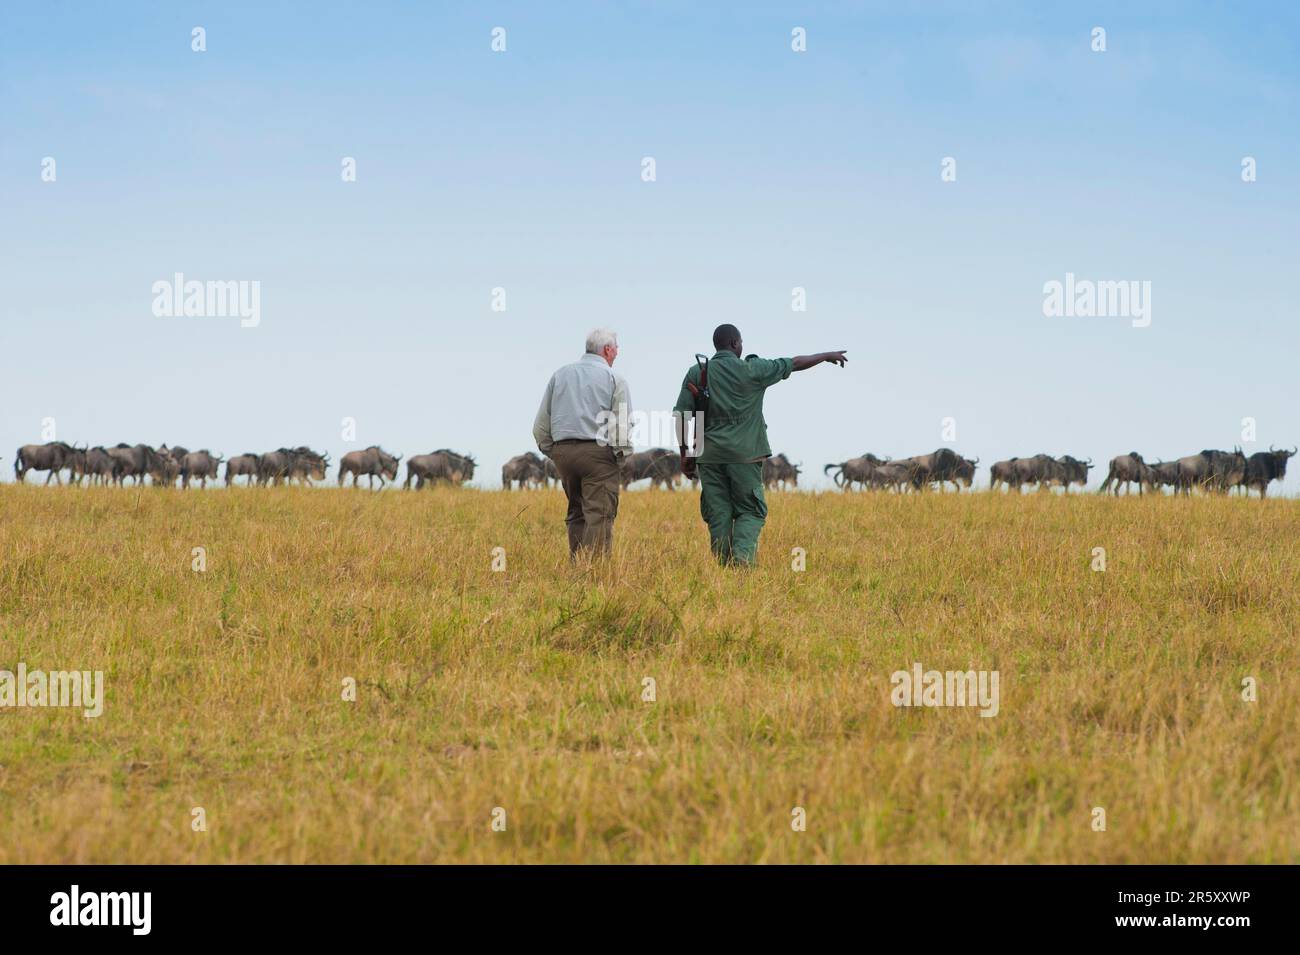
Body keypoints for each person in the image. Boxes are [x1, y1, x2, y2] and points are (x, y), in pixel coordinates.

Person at [674, 324, 846, 566]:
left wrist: (685, 455)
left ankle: (724, 569)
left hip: (709, 456)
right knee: (751, 511)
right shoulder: (754, 369)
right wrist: (825, 356)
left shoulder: (698, 371)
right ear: (735, 344)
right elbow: (794, 363)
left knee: (719, 514)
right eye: (741, 342)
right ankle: (742, 562)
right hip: (746, 455)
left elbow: (681, 416)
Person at [533, 328, 633, 558]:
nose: (617, 352)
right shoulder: (614, 378)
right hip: (598, 454)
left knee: (576, 511)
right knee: (599, 514)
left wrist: (555, 452)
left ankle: (575, 564)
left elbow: (540, 426)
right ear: (608, 350)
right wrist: (620, 457)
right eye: (616, 347)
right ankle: (593, 573)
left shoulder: (560, 375)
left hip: (563, 453)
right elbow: (621, 424)